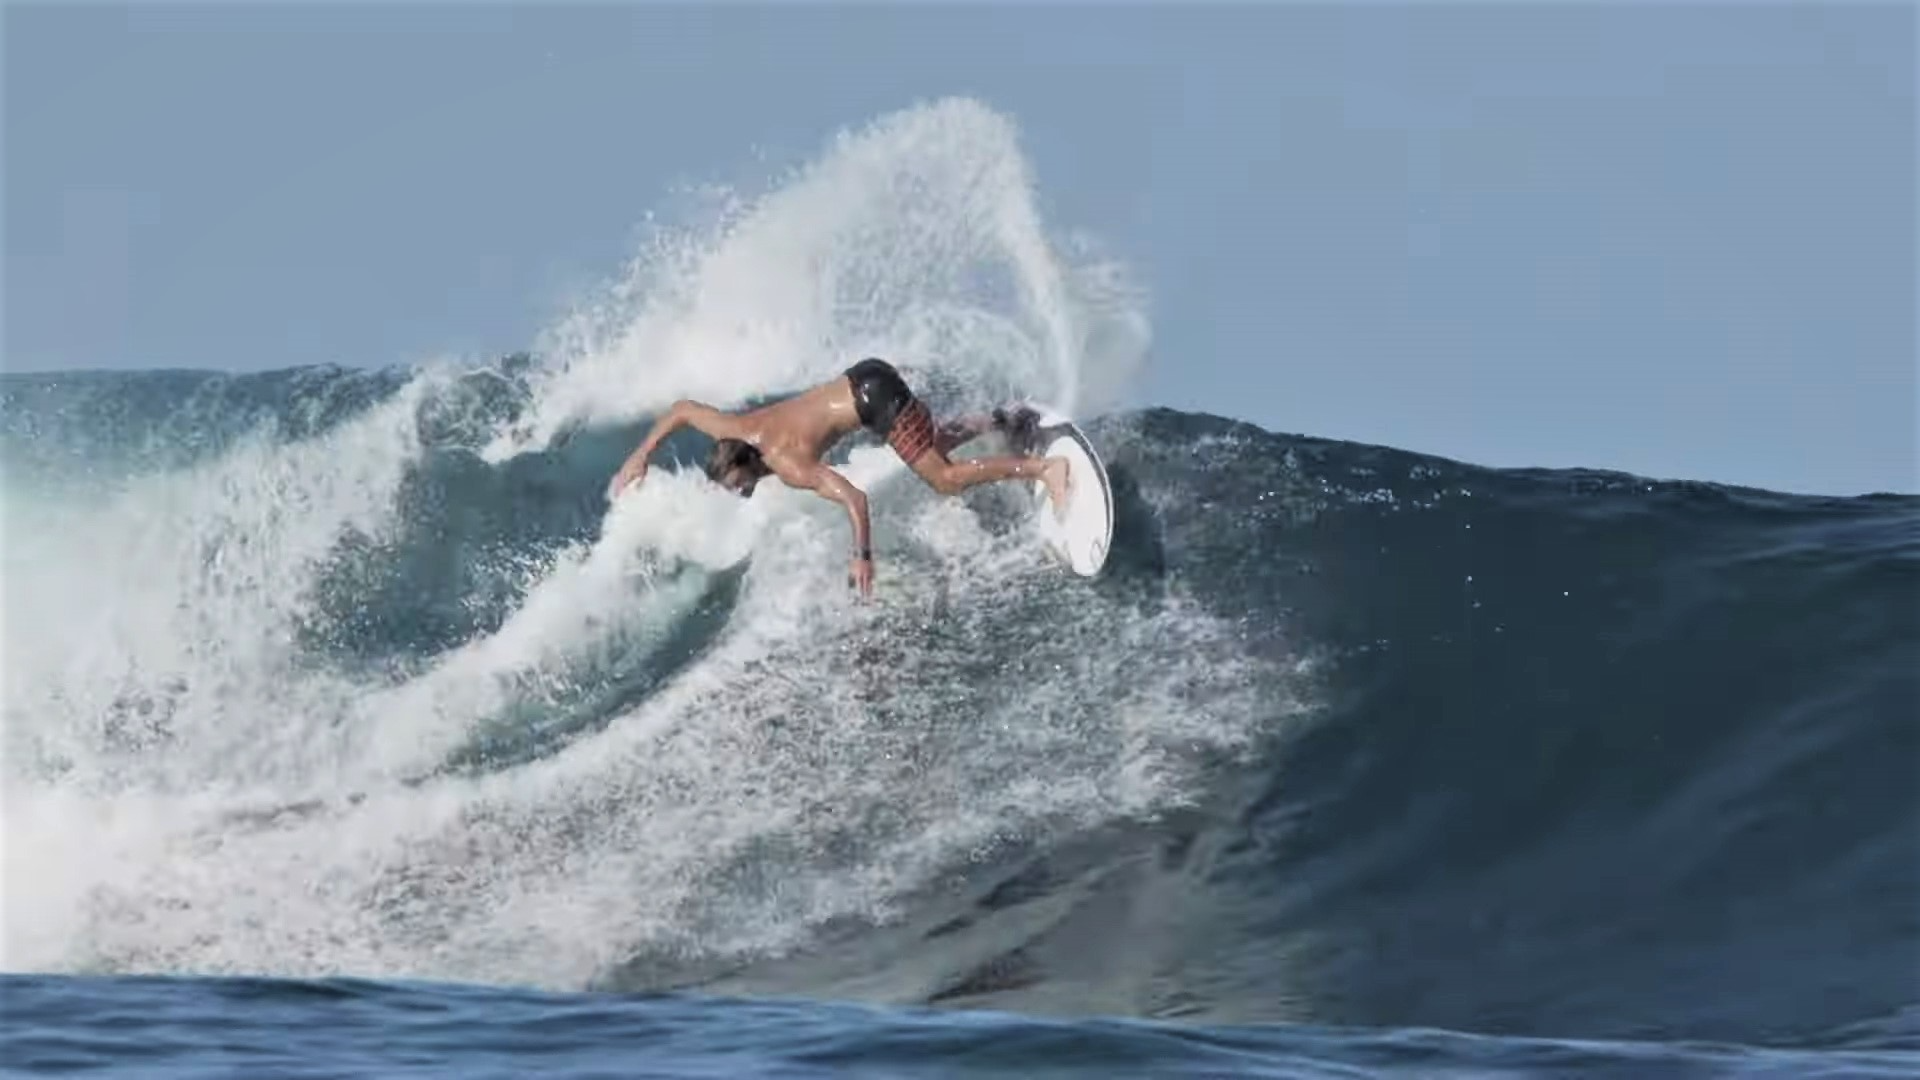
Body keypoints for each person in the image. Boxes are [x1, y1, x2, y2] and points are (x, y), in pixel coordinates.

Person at [607, 358, 1070, 596]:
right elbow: (683, 410)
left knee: (943, 478)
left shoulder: (788, 465)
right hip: (865, 376)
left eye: (737, 484)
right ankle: (1004, 419)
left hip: (874, 400)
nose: (740, 492)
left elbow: (855, 499)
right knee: (932, 448)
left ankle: (1045, 469)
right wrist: (640, 455)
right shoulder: (737, 429)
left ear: (741, 465)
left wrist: (862, 556)